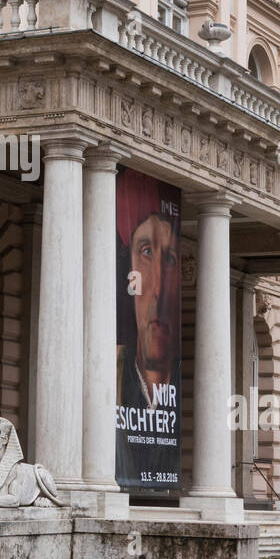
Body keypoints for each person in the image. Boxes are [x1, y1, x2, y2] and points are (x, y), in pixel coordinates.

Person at [115, 169, 182, 490]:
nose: (157, 288)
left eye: (169, 259)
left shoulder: (188, 382)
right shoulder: (110, 377)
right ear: (128, 273)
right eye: (145, 253)